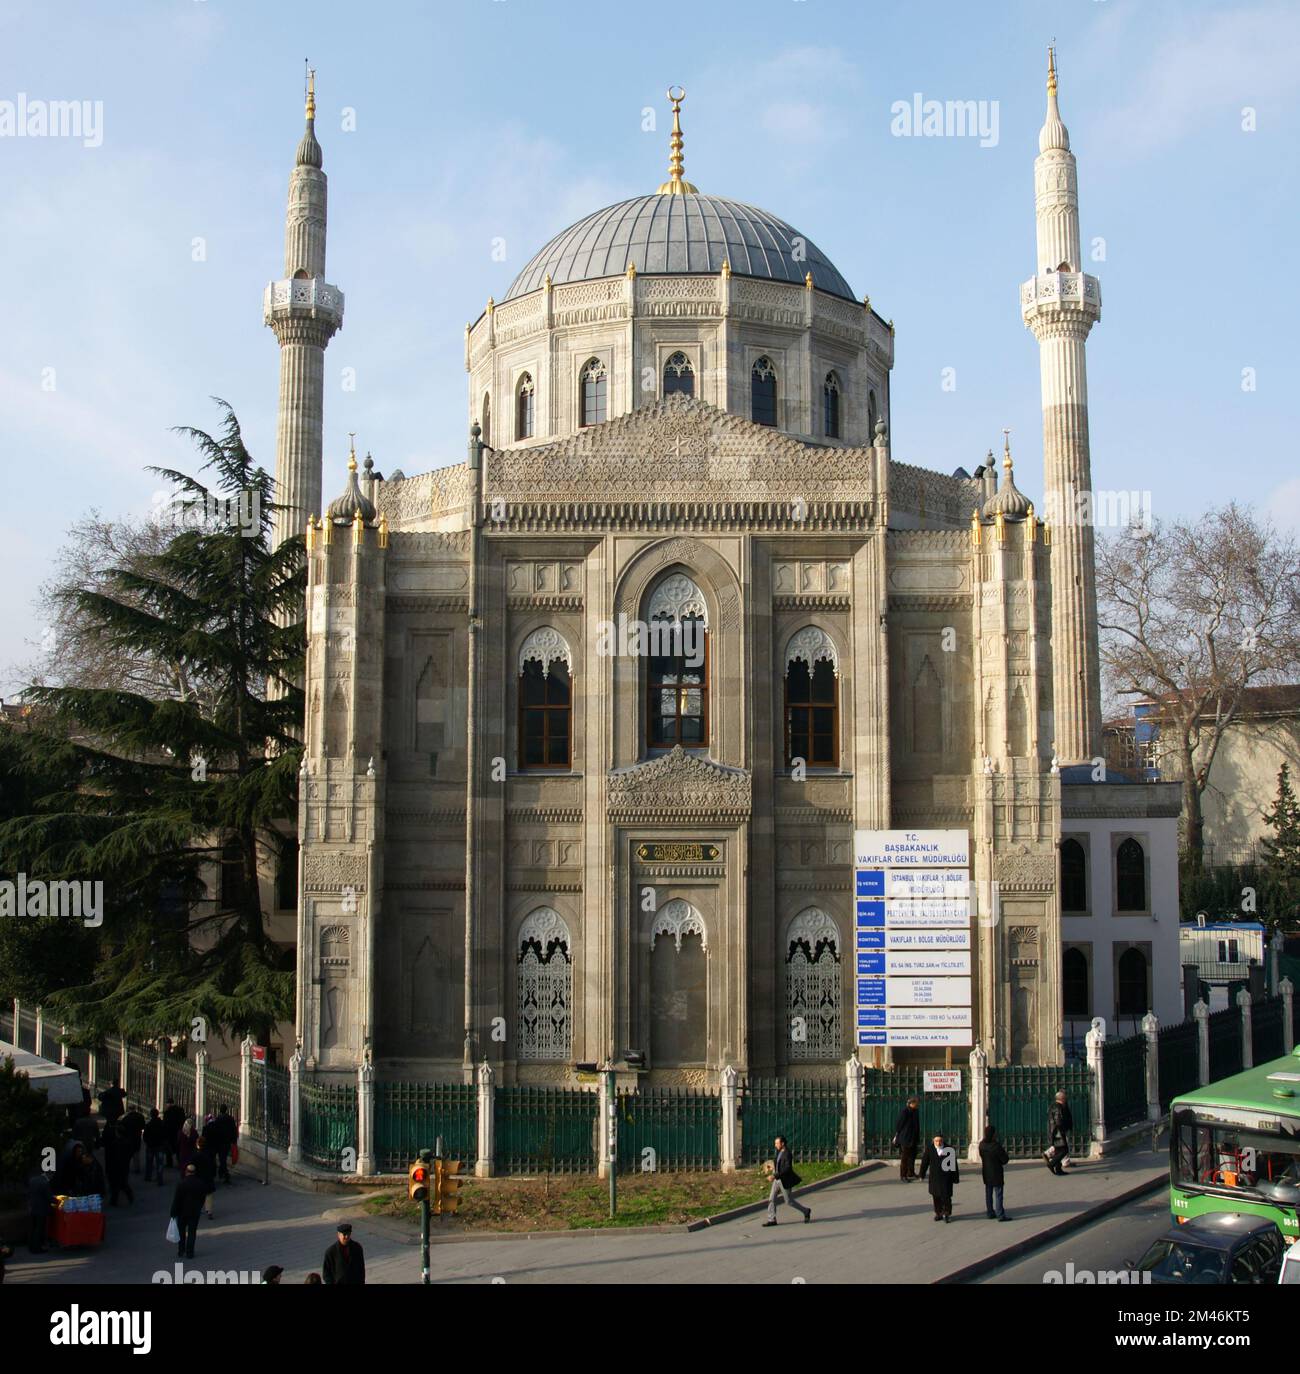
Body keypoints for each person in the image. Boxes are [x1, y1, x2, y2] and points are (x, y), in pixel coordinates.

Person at [761, 1133, 812, 1227]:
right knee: (771, 1199)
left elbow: (787, 1169)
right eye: (775, 1143)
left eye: (777, 1143)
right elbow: (779, 1164)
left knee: (789, 1201)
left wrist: (774, 1176)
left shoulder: (787, 1154)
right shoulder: (779, 1152)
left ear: (783, 1143)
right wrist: (773, 1168)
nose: (775, 1145)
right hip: (777, 1179)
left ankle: (806, 1211)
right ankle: (771, 1219)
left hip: (784, 1180)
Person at [920, 1132, 959, 1223]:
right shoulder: (930, 1149)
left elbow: (954, 1165)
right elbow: (925, 1162)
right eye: (936, 1141)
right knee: (936, 1196)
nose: (938, 1143)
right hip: (935, 1177)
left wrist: (955, 1178)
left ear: (943, 1140)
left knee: (946, 1197)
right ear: (933, 1141)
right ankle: (939, 1213)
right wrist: (922, 1174)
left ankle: (947, 1213)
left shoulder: (949, 1149)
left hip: (946, 1178)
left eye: (940, 1141)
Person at [170, 1164, 207, 1260]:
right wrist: (199, 1207)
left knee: (181, 1231)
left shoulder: (181, 1183)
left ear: (186, 1171)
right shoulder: (200, 1183)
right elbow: (203, 1198)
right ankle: (190, 1252)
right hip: (194, 1211)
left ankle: (181, 1249)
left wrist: (173, 1212)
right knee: (192, 1232)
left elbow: (176, 1199)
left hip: (182, 1212)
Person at [979, 1124, 1011, 1221]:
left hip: (986, 1172)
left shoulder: (981, 1145)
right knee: (998, 1194)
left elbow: (981, 1156)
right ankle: (1000, 1214)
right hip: (996, 1172)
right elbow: (1005, 1159)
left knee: (988, 1193)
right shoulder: (996, 1146)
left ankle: (990, 1212)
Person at [102, 1121, 135, 1207]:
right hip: (124, 1164)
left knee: (116, 1183)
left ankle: (115, 1199)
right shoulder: (127, 1142)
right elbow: (130, 1152)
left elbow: (111, 1156)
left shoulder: (115, 1144)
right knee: (122, 1182)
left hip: (116, 1165)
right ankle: (127, 1196)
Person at [893, 1096, 921, 1182]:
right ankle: (903, 1175)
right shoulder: (905, 1112)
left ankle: (911, 1172)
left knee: (912, 1156)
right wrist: (897, 1134)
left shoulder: (915, 1111)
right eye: (916, 1103)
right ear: (911, 1103)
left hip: (913, 1138)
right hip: (905, 1138)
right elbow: (899, 1124)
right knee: (905, 1158)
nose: (917, 1104)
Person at [1046, 1090, 1073, 1175]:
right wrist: (1063, 1129)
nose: (1066, 1099)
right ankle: (1052, 1163)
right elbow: (1058, 1121)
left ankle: (1058, 1169)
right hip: (1058, 1132)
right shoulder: (1058, 1107)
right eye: (1065, 1098)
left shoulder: (1053, 1106)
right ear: (1062, 1098)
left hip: (1054, 1131)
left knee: (1058, 1150)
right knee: (1064, 1150)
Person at [27, 1167, 52, 1253]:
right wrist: (58, 1201)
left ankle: (31, 1247)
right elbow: (49, 1197)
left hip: (32, 1207)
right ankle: (37, 1248)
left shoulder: (32, 1180)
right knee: (39, 1229)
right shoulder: (45, 1183)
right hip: (41, 1209)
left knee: (33, 1227)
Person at [193, 1133, 217, 1220]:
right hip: (208, 1176)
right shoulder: (209, 1153)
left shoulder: (196, 1155)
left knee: (199, 1194)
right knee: (209, 1194)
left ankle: (198, 1208)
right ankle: (209, 1211)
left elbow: (192, 1166)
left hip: (199, 1177)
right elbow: (213, 1164)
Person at [143, 1108, 168, 1184]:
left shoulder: (149, 1124)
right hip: (160, 1145)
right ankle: (160, 1178)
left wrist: (148, 1142)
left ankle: (148, 1176)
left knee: (149, 1162)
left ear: (151, 1115)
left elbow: (145, 1136)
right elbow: (165, 1135)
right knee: (160, 1163)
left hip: (150, 1145)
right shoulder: (162, 1124)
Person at [120, 1104, 146, 1175]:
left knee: (127, 1155)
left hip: (128, 1138)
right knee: (136, 1154)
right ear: (135, 1109)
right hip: (137, 1137)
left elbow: (122, 1129)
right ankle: (136, 1168)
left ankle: (126, 1167)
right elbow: (143, 1126)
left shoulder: (126, 1118)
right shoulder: (140, 1116)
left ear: (129, 1110)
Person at [162, 1100, 186, 1167]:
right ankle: (179, 1163)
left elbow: (165, 1123)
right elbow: (183, 1121)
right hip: (178, 1132)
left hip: (169, 1133)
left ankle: (169, 1163)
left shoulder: (167, 1112)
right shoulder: (180, 1110)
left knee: (169, 1150)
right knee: (178, 1149)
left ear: (168, 1104)